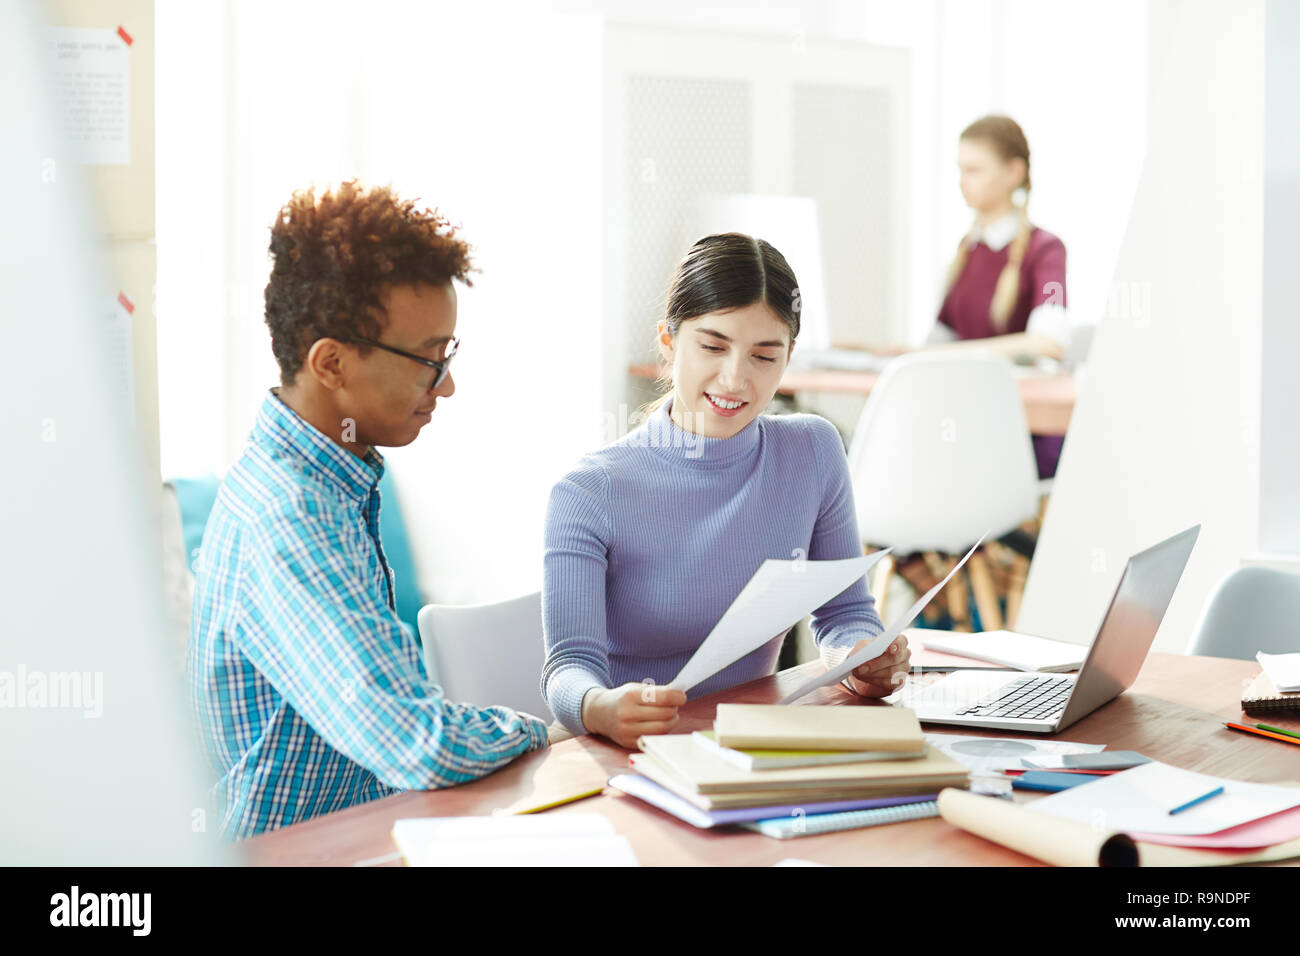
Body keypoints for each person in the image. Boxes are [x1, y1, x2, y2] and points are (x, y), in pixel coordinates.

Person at [188, 181, 548, 840]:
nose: (447, 385)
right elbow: (415, 741)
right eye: (428, 361)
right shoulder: (289, 520)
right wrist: (547, 727)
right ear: (330, 363)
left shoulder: (331, 482)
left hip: (364, 837)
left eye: (449, 356)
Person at [541, 233, 911, 748]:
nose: (735, 379)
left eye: (764, 355)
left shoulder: (812, 451)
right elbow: (568, 669)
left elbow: (844, 614)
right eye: (713, 347)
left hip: (746, 745)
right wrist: (600, 706)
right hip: (628, 753)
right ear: (669, 342)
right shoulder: (590, 490)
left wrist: (861, 659)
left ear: (789, 357)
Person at [928, 114, 1069, 477]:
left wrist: (963, 356)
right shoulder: (966, 253)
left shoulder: (1046, 251)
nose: (963, 182)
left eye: (974, 170)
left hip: (1020, 433)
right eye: (961, 170)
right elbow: (936, 344)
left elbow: (1048, 343)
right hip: (966, 418)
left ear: (1013, 173)